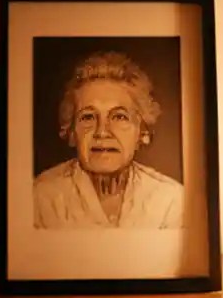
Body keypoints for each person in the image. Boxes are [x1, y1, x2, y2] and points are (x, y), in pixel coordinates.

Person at [34, 51, 184, 229]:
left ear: (142, 132)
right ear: (72, 133)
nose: (102, 132)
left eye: (119, 117)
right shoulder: (40, 198)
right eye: (88, 117)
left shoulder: (171, 200)